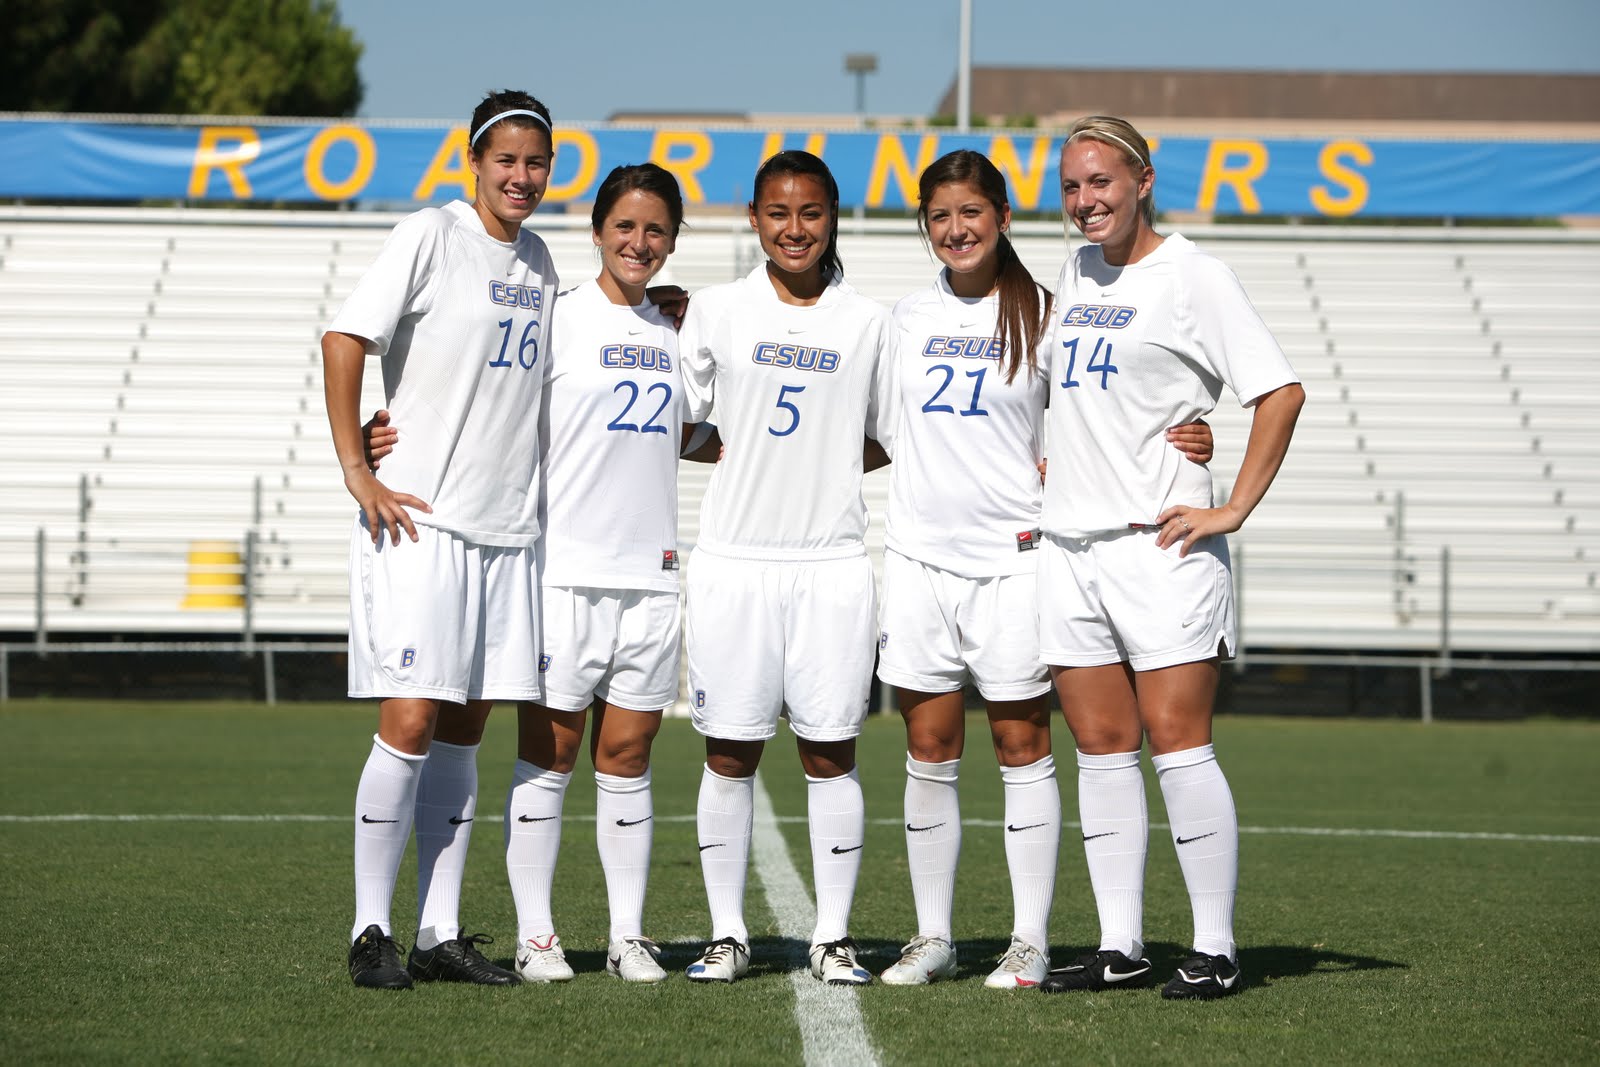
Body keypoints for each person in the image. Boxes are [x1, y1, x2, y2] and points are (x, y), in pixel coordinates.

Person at [364, 164, 715, 984]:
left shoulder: (680, 330)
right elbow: (482, 393)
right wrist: (381, 430)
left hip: (654, 574)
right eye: (624, 227)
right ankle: (537, 934)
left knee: (628, 756)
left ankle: (629, 934)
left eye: (656, 230)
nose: (639, 243)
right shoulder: (556, 317)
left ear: (672, 241)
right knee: (549, 755)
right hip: (562, 573)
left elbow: (691, 431)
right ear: (596, 232)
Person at [875, 150, 1212, 989]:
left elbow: (1118, 402)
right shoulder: (903, 319)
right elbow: (871, 431)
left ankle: (1028, 937)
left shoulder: (1050, 314)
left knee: (1021, 743)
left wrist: (1191, 433)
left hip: (1018, 559)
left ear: (1002, 216)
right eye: (940, 216)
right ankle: (933, 935)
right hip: (918, 557)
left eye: (972, 213)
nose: (956, 229)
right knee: (927, 744)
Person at [1035, 116, 1304, 1000]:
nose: (1086, 202)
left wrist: (1232, 505)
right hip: (1070, 546)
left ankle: (1217, 947)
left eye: (1102, 182)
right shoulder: (1073, 272)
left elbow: (1280, 391)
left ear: (1143, 179)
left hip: (1162, 546)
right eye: (1073, 186)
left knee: (1179, 743)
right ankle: (1122, 944)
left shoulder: (1195, 274)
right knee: (1103, 747)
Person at [323, 89, 558, 990]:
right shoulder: (430, 233)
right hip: (419, 519)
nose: (521, 176)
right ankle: (370, 927)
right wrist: (358, 464)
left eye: (536, 161)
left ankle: (440, 930)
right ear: (475, 159)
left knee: (464, 731)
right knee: (412, 717)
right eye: (506, 159)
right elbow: (345, 338)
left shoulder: (540, 262)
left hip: (508, 531)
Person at [677, 150, 892, 986]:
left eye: (809, 213)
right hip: (735, 561)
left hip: (832, 562)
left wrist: (823, 461)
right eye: (777, 212)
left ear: (832, 217)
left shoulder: (868, 321)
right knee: (729, 753)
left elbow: (887, 433)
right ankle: (727, 933)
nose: (793, 229)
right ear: (754, 219)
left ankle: (832, 935)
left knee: (829, 751)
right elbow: (681, 421)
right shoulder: (715, 310)